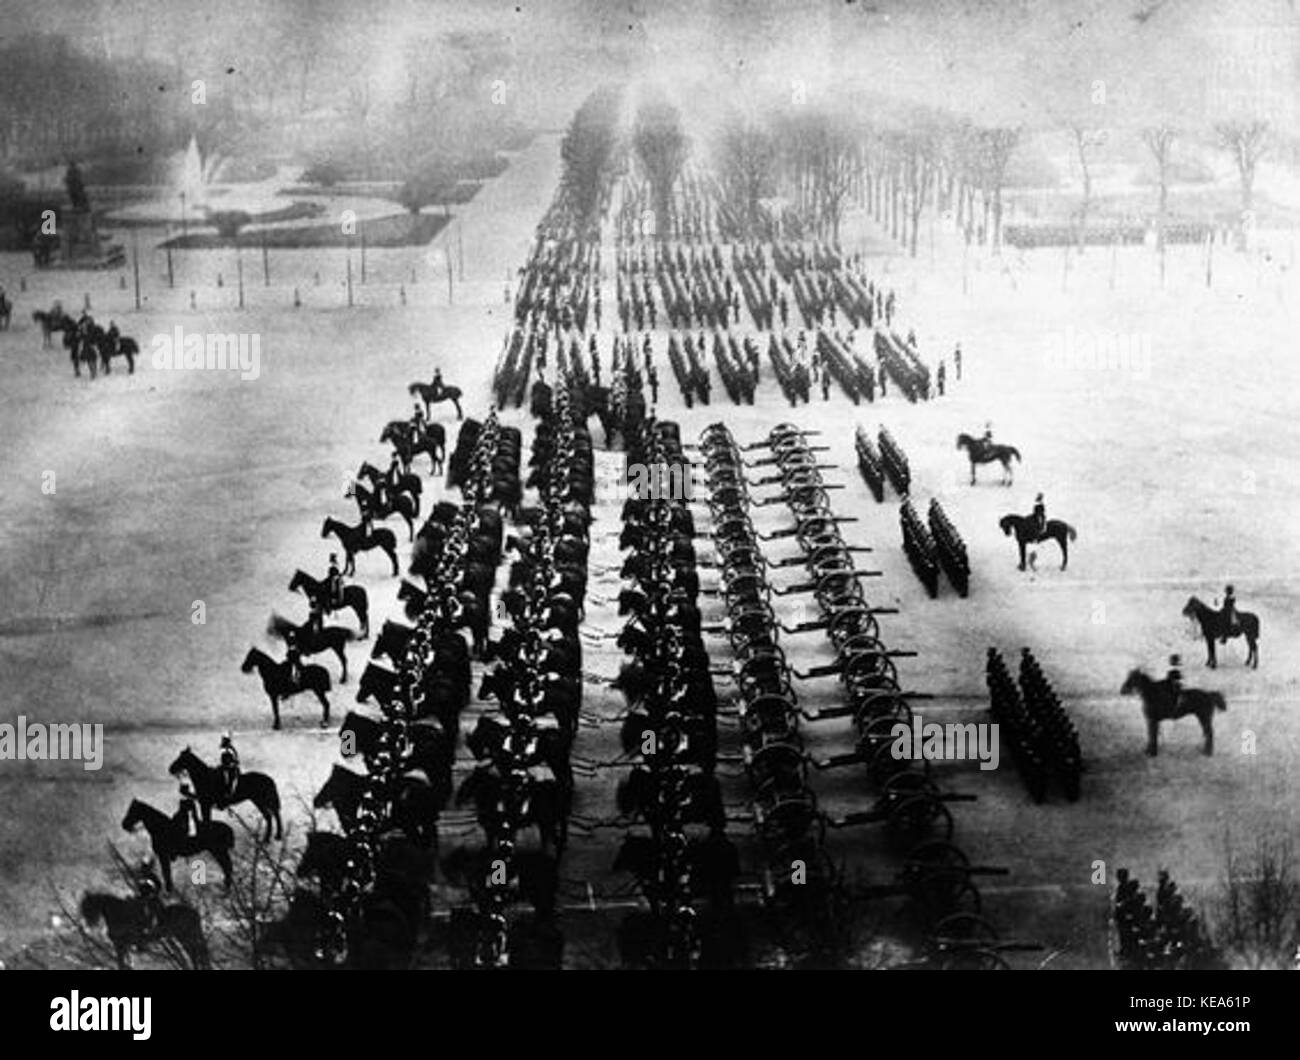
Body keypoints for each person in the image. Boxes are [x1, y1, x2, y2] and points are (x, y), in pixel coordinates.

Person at [218, 733, 240, 803]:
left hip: (232, 769)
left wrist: (230, 765)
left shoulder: (231, 750)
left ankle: (228, 793)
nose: (223, 742)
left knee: (226, 778)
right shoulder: (223, 749)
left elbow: (236, 761)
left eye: (224, 740)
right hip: (225, 768)